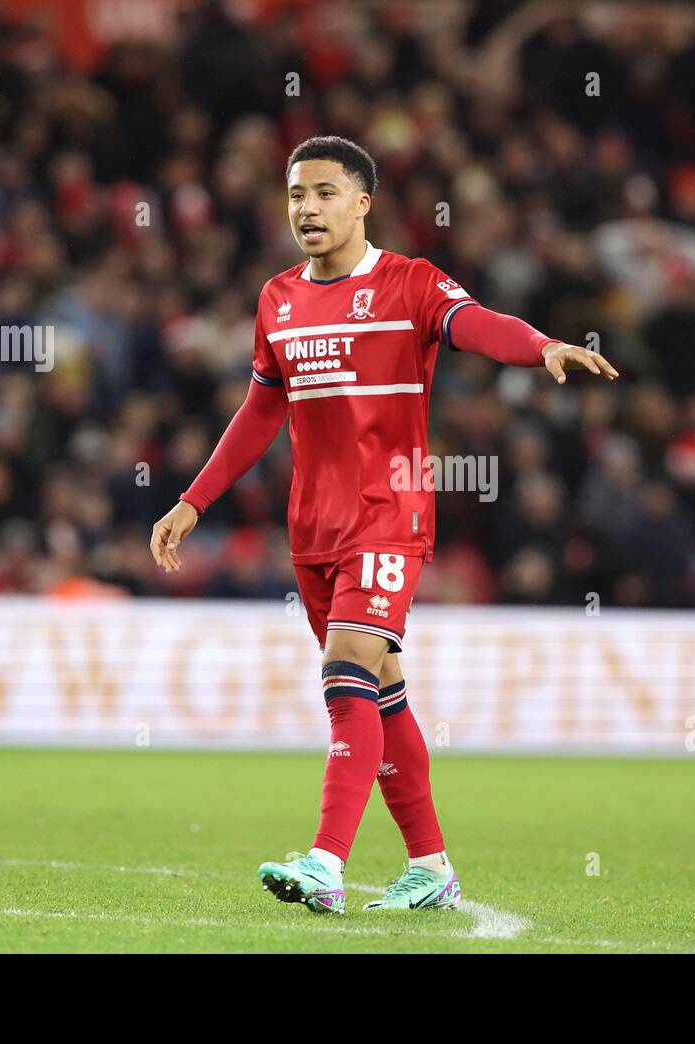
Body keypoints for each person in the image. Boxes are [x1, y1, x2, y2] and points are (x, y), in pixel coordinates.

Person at [150, 136, 617, 915]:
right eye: (297, 194)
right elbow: (262, 408)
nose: (307, 208)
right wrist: (193, 501)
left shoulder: (409, 283)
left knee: (344, 680)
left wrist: (542, 348)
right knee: (379, 691)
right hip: (313, 527)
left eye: (326, 193)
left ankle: (326, 864)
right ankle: (431, 866)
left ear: (363, 202)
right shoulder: (278, 299)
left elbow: (477, 325)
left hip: (387, 513)